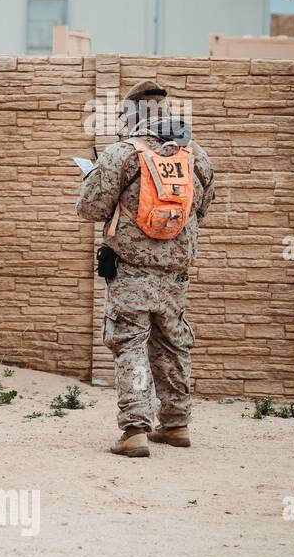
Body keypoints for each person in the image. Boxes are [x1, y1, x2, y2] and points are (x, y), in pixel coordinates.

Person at [76, 80, 215, 457]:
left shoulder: (121, 154)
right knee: (173, 342)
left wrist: (90, 178)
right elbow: (200, 210)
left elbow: (89, 209)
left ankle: (135, 430)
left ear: (132, 113)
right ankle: (175, 424)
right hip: (175, 273)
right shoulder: (195, 154)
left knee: (130, 343)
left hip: (131, 270)